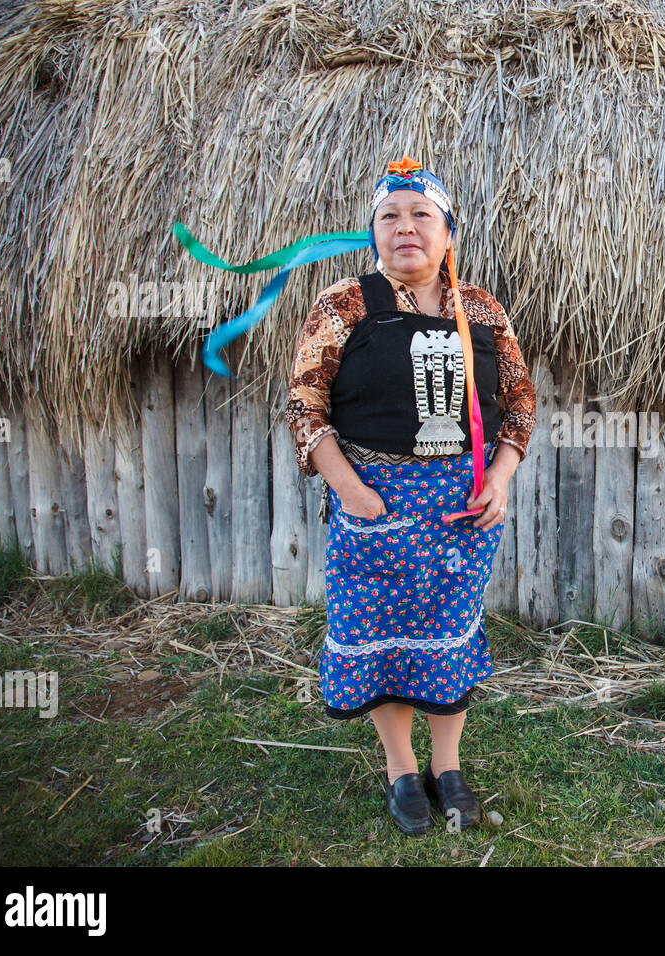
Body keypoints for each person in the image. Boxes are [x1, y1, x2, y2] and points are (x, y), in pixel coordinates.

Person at [285, 156, 536, 835]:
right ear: (373, 232)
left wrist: (501, 477)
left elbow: (519, 402)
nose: (406, 227)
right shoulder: (344, 304)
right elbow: (305, 406)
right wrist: (351, 491)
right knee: (380, 640)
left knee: (447, 639)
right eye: (389, 216)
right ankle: (402, 772)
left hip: (461, 509)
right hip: (376, 503)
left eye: (421, 214)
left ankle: (446, 770)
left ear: (447, 231)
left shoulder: (481, 310)